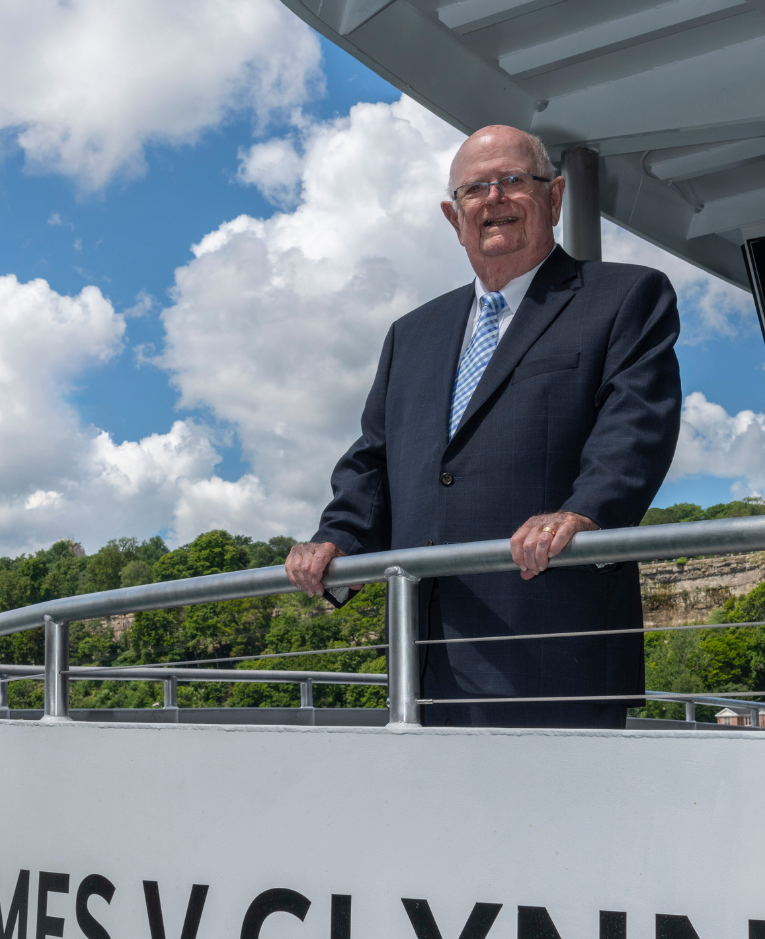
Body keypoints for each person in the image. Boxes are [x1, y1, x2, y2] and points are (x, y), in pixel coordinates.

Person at [286, 124, 681, 727]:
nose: (493, 198)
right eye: (475, 189)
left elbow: (635, 428)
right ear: (454, 217)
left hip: (557, 651)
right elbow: (374, 458)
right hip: (421, 659)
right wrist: (338, 538)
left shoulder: (626, 296)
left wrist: (585, 512)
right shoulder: (411, 334)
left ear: (554, 197)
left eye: (513, 180)